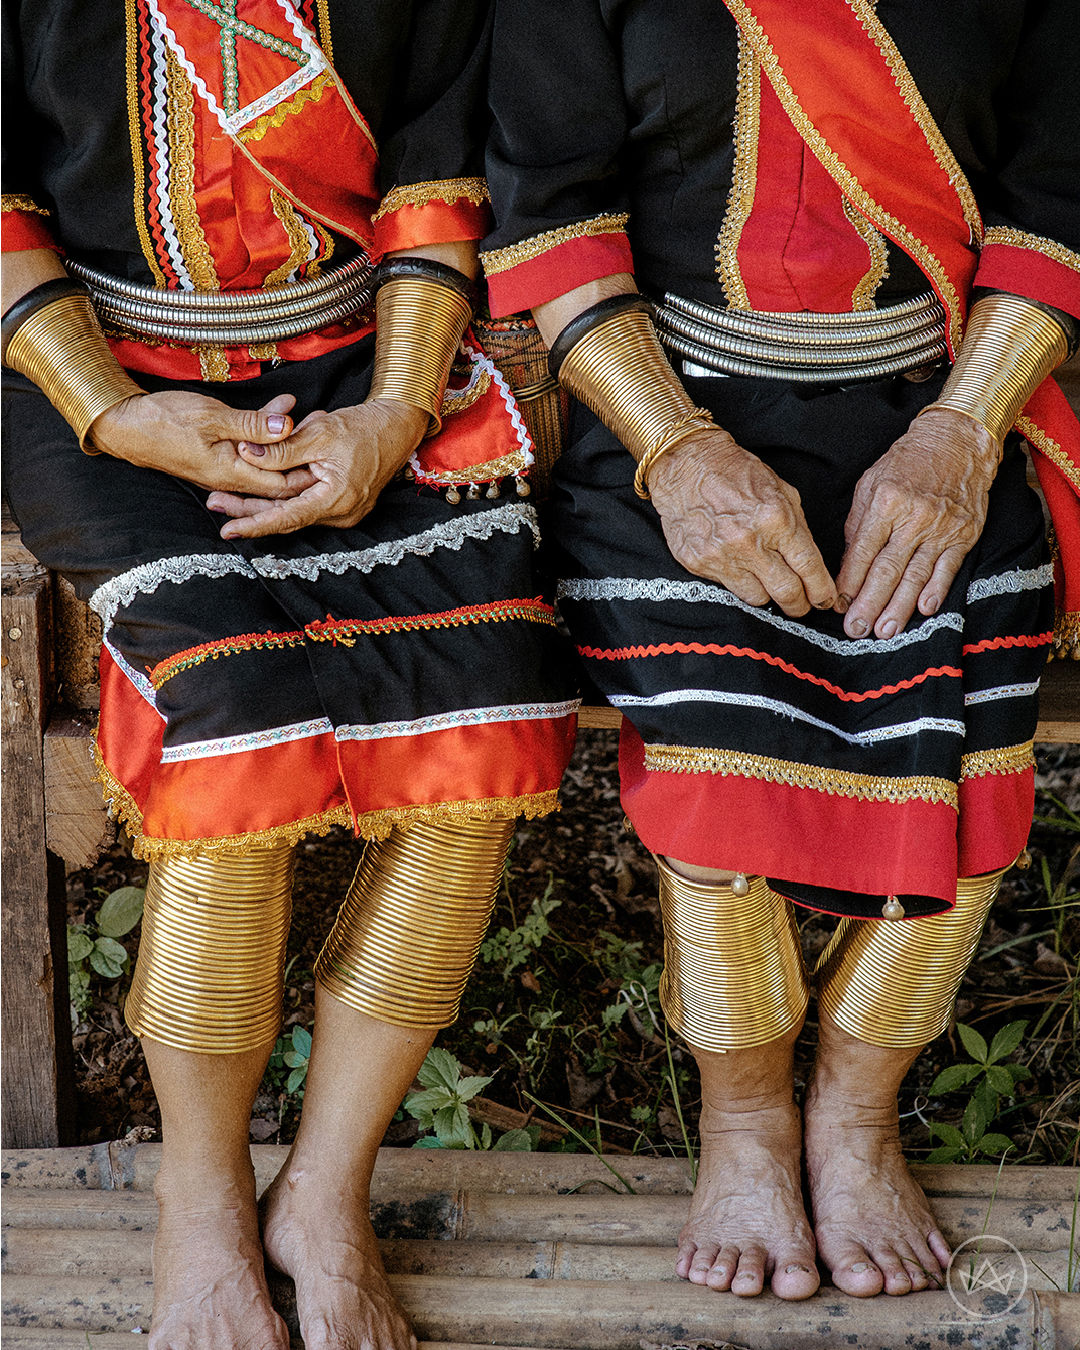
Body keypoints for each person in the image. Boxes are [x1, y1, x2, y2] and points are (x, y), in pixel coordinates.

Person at [483, 0, 1079, 1302]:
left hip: (936, 424)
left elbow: (1060, 200)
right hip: (665, 421)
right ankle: (747, 1116)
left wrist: (966, 436)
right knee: (707, 715)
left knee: (978, 716)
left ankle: (857, 1115)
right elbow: (548, 218)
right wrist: (679, 452)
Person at [2, 2, 576, 1346]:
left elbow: (436, 182)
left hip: (366, 367)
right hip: (90, 383)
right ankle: (199, 1199)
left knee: (495, 702)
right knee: (235, 719)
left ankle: (325, 1189)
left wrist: (390, 411)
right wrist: (113, 410)